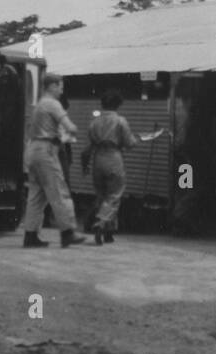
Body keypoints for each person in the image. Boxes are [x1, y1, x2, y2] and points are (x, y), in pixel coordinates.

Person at [82, 91, 161, 245]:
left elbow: (90, 144)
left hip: (98, 159)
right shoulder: (120, 121)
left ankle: (109, 232)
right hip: (113, 158)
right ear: (118, 105)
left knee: (102, 195)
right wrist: (137, 139)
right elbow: (129, 143)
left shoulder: (94, 123)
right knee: (114, 195)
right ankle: (101, 222)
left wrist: (85, 166)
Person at [22, 74, 89, 248]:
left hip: (33, 150)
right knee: (59, 191)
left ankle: (30, 235)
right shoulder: (52, 104)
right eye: (60, 86)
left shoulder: (39, 104)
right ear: (51, 86)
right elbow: (69, 126)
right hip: (47, 151)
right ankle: (68, 232)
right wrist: (73, 131)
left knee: (36, 195)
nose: (61, 90)